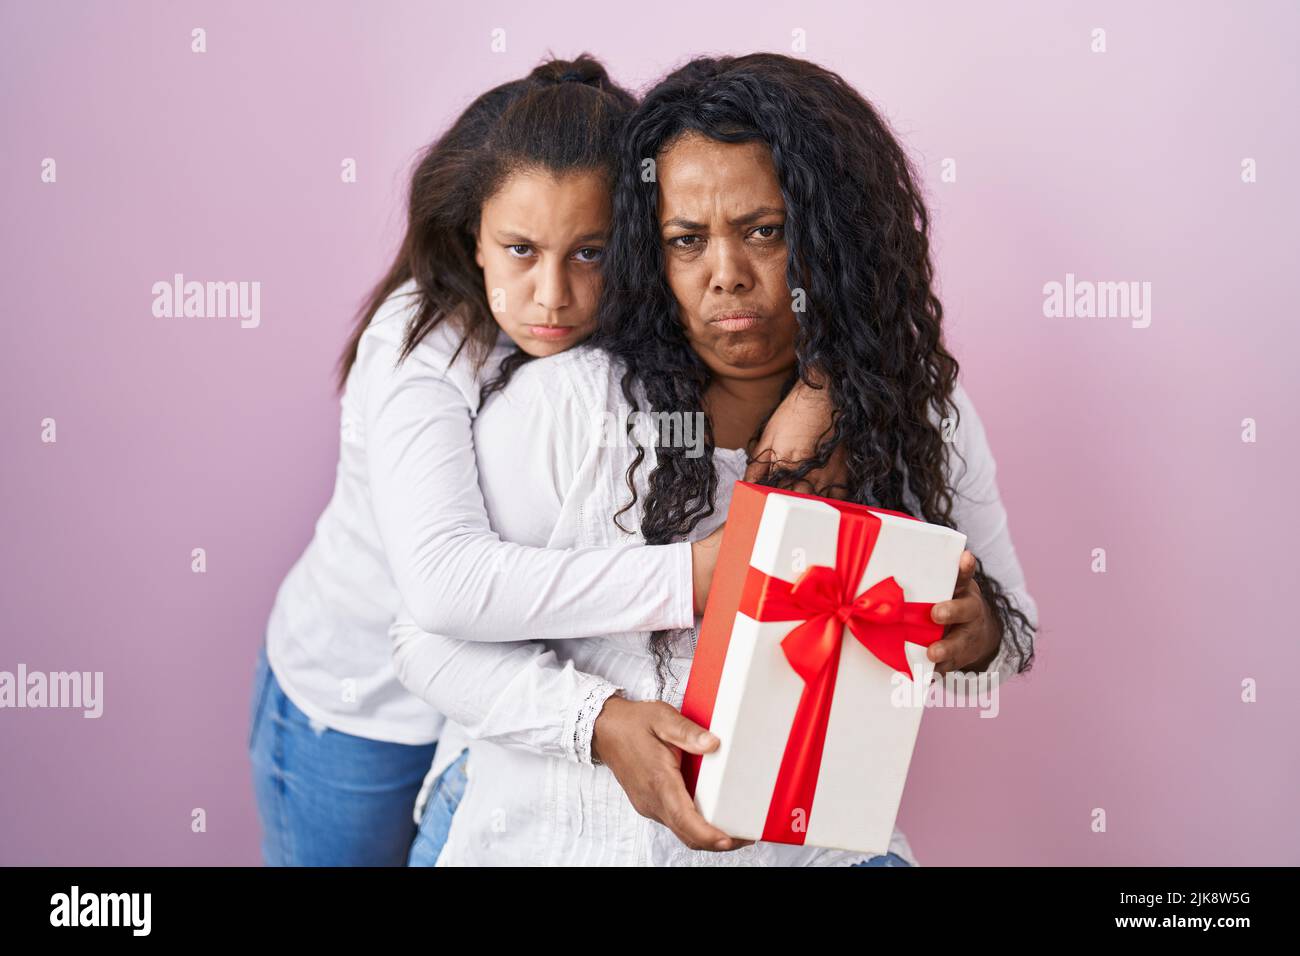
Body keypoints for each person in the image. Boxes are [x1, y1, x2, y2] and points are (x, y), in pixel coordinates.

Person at [393, 53, 1039, 866]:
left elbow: (1009, 644)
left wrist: (972, 637)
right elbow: (423, 642)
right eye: (686, 240)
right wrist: (597, 724)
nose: (726, 277)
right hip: (565, 839)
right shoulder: (572, 406)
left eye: (766, 232)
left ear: (836, 237)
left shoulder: (918, 416)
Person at [250, 55, 761, 866]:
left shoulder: (636, 334)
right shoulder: (418, 345)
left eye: (589, 252)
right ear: (472, 239)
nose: (552, 296)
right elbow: (444, 582)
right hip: (358, 709)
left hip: (495, 709)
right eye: (521, 249)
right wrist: (691, 577)